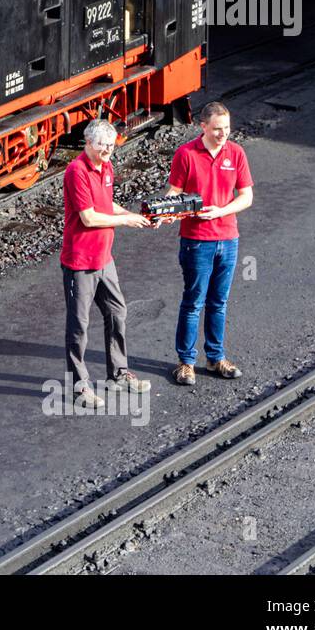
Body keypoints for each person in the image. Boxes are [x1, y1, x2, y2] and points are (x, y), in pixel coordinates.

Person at [60, 118, 153, 409]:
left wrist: (134, 215)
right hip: (80, 262)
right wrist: (125, 220)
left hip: (104, 258)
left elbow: (105, 205)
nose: (107, 150)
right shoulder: (77, 172)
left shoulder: (107, 168)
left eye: (111, 145)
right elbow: (89, 217)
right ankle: (79, 388)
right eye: (102, 145)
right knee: (79, 326)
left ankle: (119, 373)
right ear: (87, 143)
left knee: (117, 312)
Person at [164, 101, 254, 386]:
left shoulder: (236, 153)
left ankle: (215, 358)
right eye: (217, 129)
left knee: (219, 302)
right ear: (202, 126)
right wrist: (163, 211)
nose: (222, 134)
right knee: (193, 302)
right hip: (196, 242)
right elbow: (174, 192)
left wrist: (221, 211)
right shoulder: (186, 154)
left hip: (228, 239)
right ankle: (186, 363)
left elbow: (247, 196)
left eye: (226, 128)